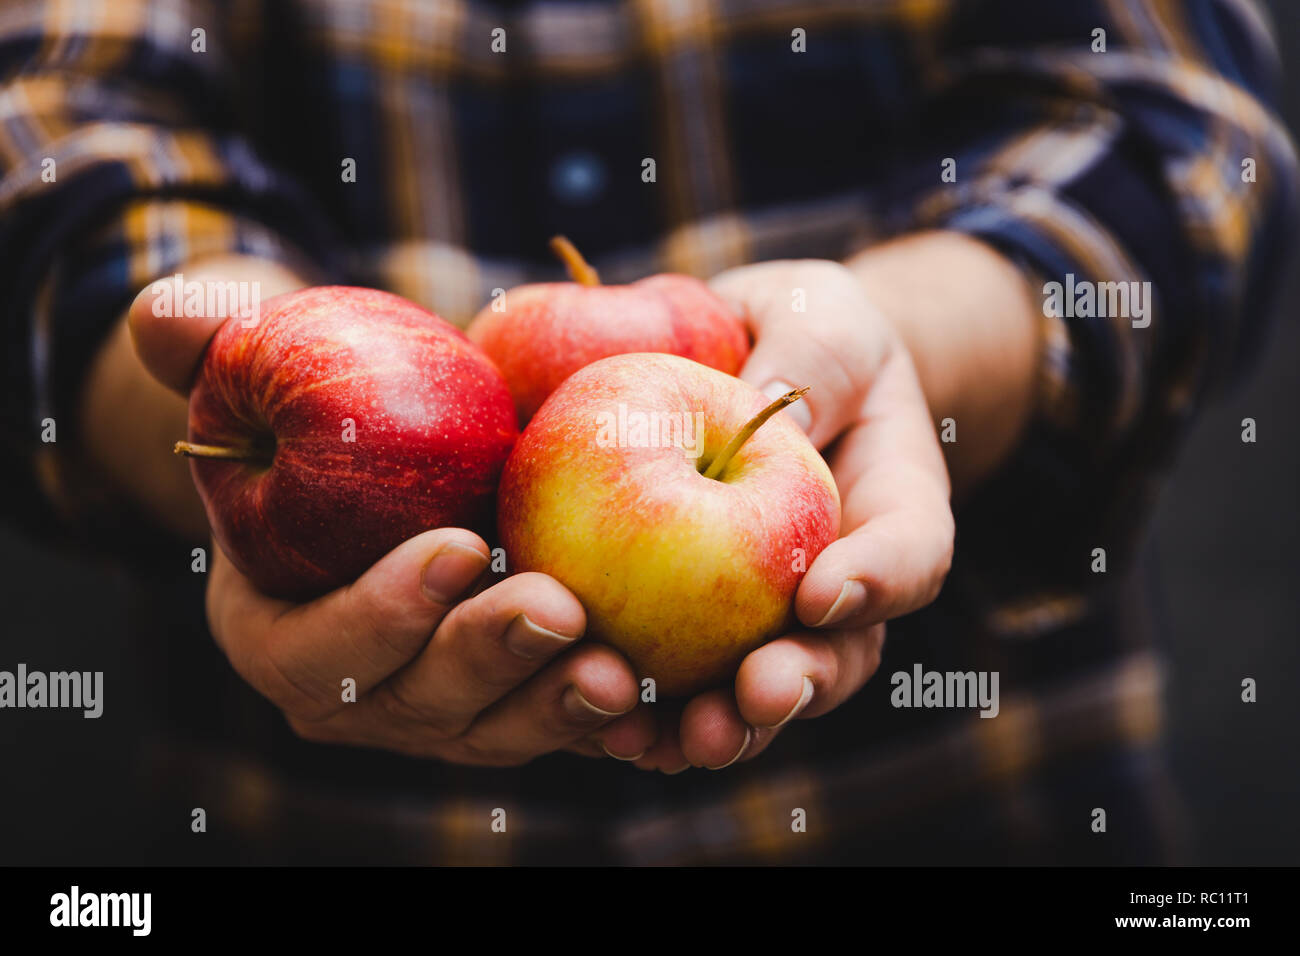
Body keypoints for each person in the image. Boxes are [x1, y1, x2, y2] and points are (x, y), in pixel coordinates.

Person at [1, 0, 1294, 864]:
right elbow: (52, 119)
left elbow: (1181, 126)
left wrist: (915, 337)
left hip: (966, 803)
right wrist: (187, 394)